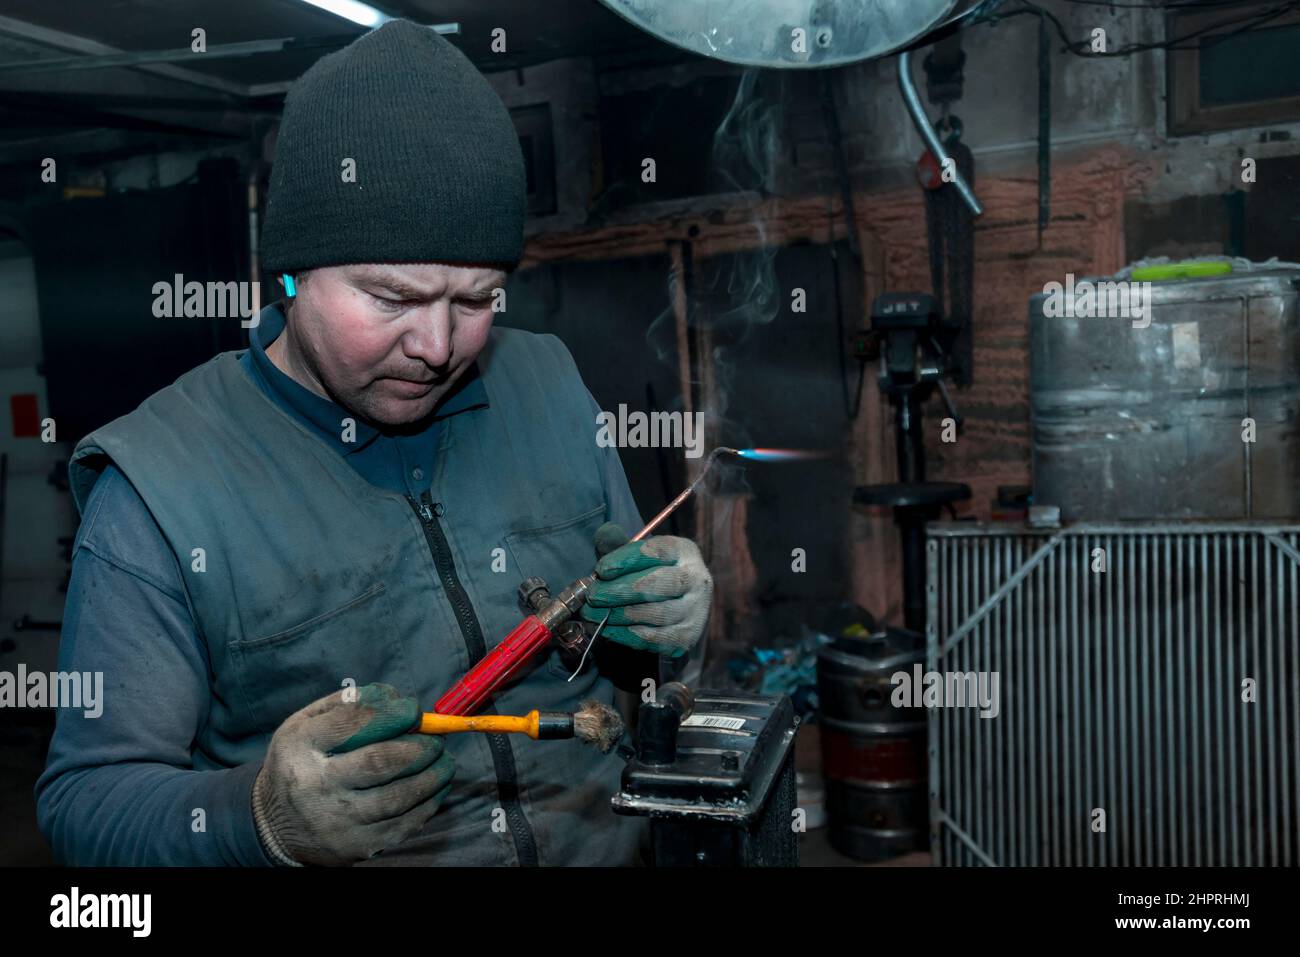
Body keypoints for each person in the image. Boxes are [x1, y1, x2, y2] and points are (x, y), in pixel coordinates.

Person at [35, 19, 712, 867]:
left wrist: (666, 628)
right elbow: (86, 804)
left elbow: (634, 662)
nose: (438, 345)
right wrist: (260, 820)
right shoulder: (160, 487)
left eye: (476, 299)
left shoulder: (545, 382)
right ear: (290, 273)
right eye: (392, 297)